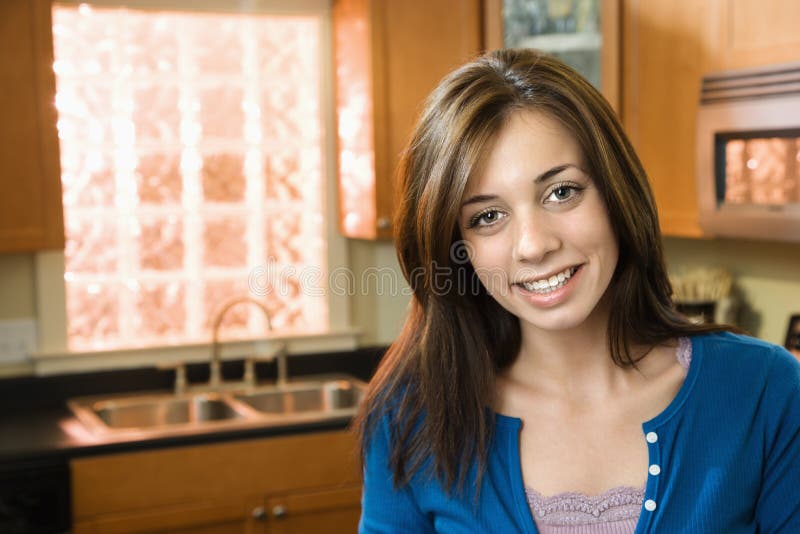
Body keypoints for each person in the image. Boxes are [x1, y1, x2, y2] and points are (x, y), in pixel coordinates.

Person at [354, 48, 800, 533]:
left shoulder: (763, 389)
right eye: (487, 217)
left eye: (561, 192)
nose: (534, 245)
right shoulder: (411, 418)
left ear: (615, 191)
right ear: (458, 247)